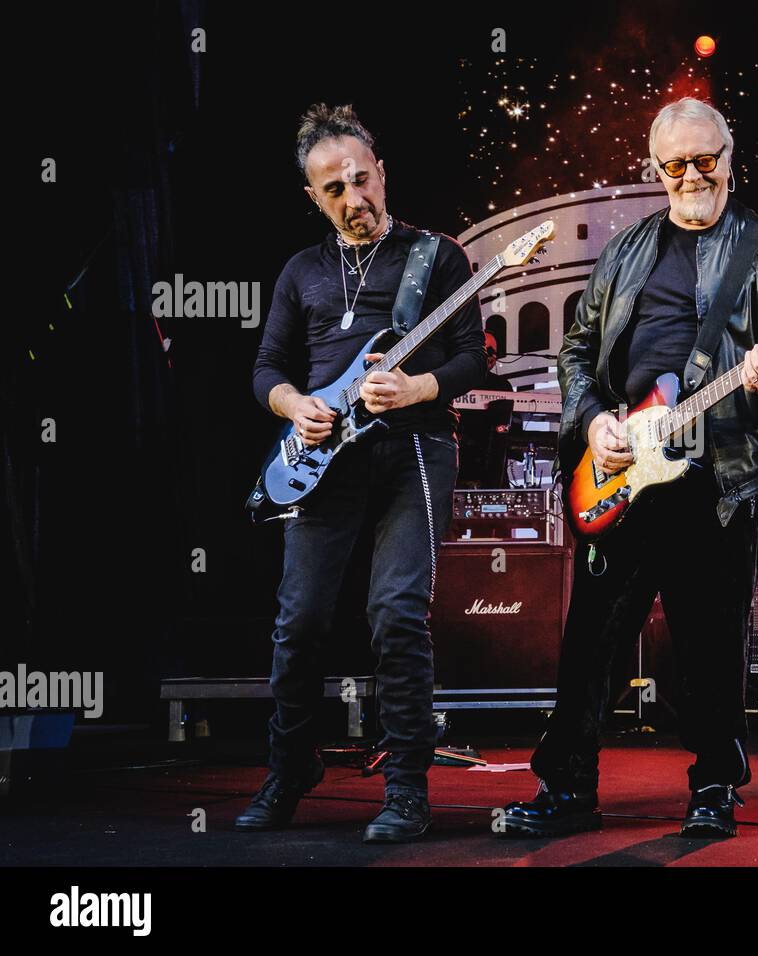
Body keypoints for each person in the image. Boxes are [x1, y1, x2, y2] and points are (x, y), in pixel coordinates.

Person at [497, 97, 758, 839]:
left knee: (711, 641)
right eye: (673, 164)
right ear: (656, 168)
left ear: (729, 159)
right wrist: (593, 421)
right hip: (625, 466)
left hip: (721, 477)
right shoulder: (628, 248)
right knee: (591, 639)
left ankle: (714, 785)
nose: (690, 175)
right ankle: (568, 786)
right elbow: (578, 348)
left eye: (704, 160)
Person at [239, 103, 485, 843]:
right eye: (335, 189)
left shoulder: (435, 258)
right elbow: (267, 369)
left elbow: (475, 357)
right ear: (313, 198)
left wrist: (416, 388)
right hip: (321, 461)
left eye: (362, 178)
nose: (354, 198)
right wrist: (294, 405)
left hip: (412, 448)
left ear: (382, 173)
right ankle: (291, 768)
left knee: (397, 615)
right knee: (299, 621)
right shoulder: (301, 271)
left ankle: (407, 788)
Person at [456, 331, 515, 487]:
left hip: (489, 468)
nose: (491, 356)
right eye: (486, 349)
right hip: (456, 465)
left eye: (493, 352)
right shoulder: (456, 380)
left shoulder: (501, 385)